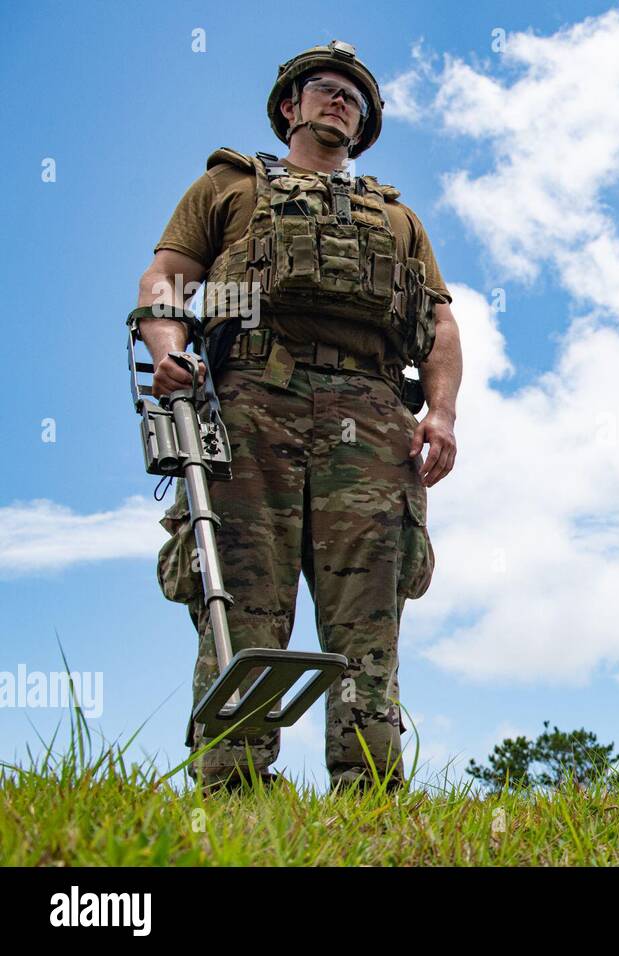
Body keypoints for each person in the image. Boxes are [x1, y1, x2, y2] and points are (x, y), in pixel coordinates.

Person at [130, 39, 463, 793]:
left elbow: (441, 324)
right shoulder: (228, 187)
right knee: (243, 596)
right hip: (253, 401)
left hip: (373, 417)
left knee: (369, 612)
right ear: (291, 105)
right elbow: (165, 278)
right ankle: (235, 789)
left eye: (355, 94)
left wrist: (440, 414)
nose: (341, 98)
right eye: (325, 87)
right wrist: (166, 346)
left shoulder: (398, 218)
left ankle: (370, 796)